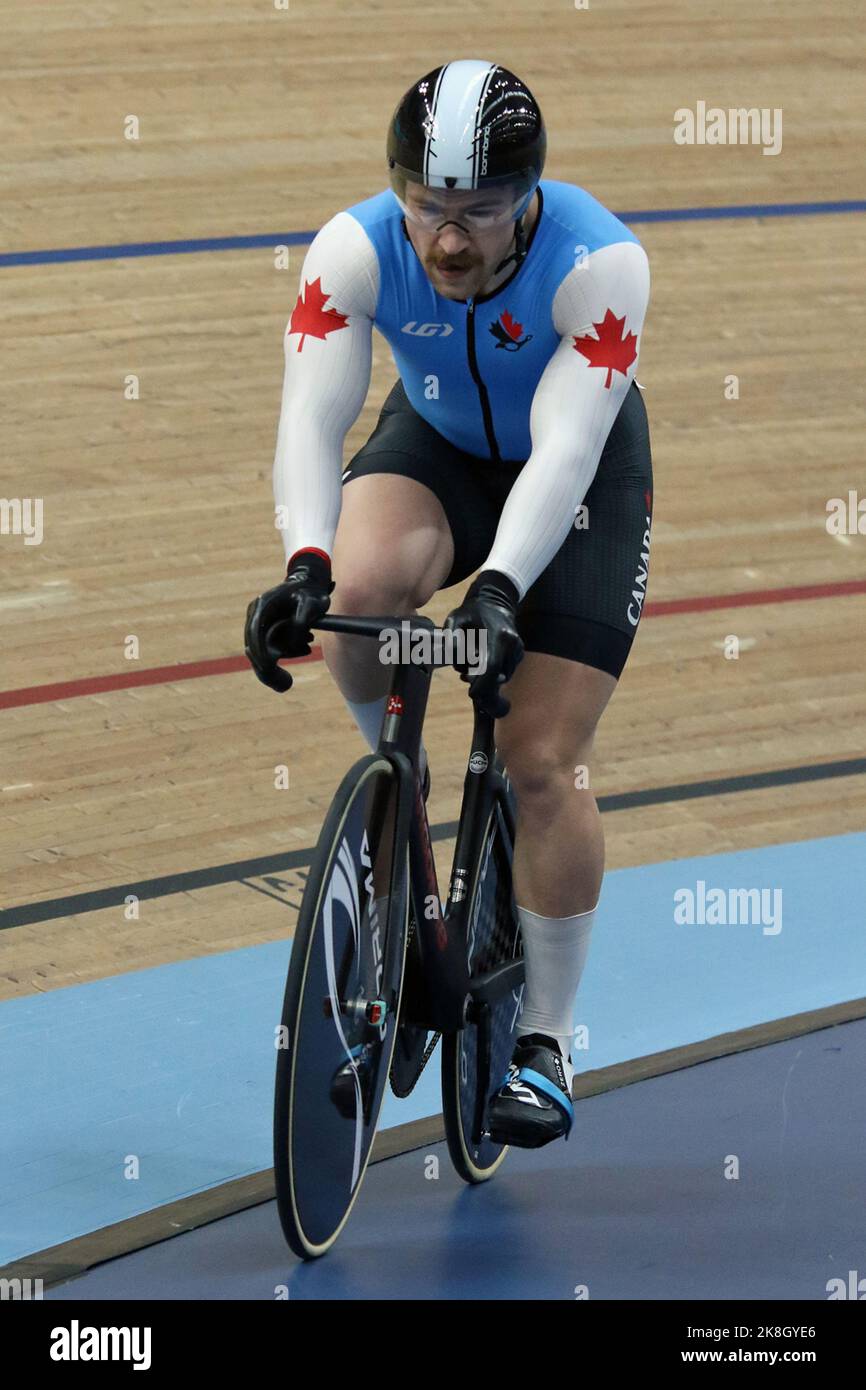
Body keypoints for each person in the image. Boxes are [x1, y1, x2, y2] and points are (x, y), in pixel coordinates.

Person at [245, 60, 653, 1148]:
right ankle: (399, 782)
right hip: (437, 448)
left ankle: (548, 1042)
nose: (449, 240)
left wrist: (505, 591)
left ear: (527, 197)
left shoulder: (598, 264)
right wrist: (304, 565)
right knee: (363, 592)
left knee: (537, 761)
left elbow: (563, 451)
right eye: (427, 208)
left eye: (477, 212)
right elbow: (309, 419)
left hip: (573, 487)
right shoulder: (353, 249)